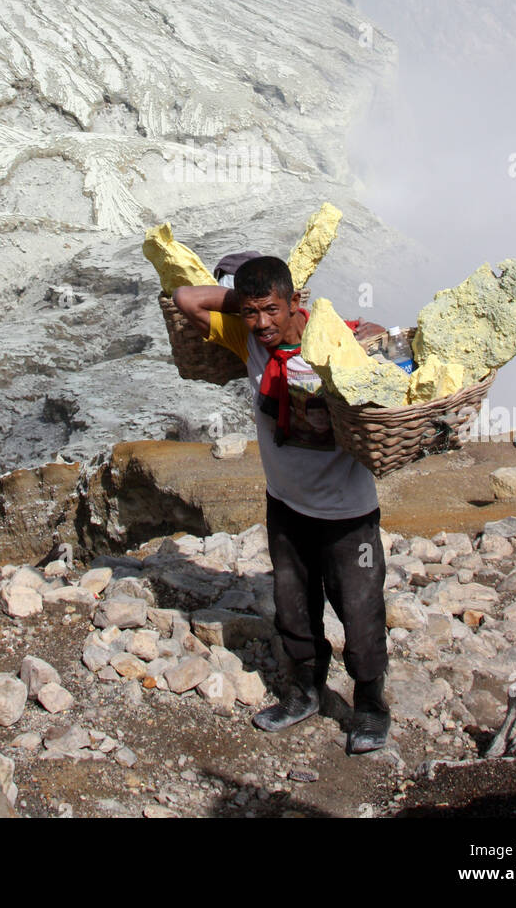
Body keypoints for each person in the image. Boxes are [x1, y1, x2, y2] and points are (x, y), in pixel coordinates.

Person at [173, 254, 391, 755]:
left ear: (296, 300)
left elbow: (379, 331)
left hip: (348, 516)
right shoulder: (247, 340)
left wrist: (359, 345)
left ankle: (371, 706)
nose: (263, 324)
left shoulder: (332, 336)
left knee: (360, 614)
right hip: (287, 507)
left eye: (272, 309)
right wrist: (246, 301)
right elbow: (187, 298)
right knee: (294, 610)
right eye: (251, 312)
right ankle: (304, 693)